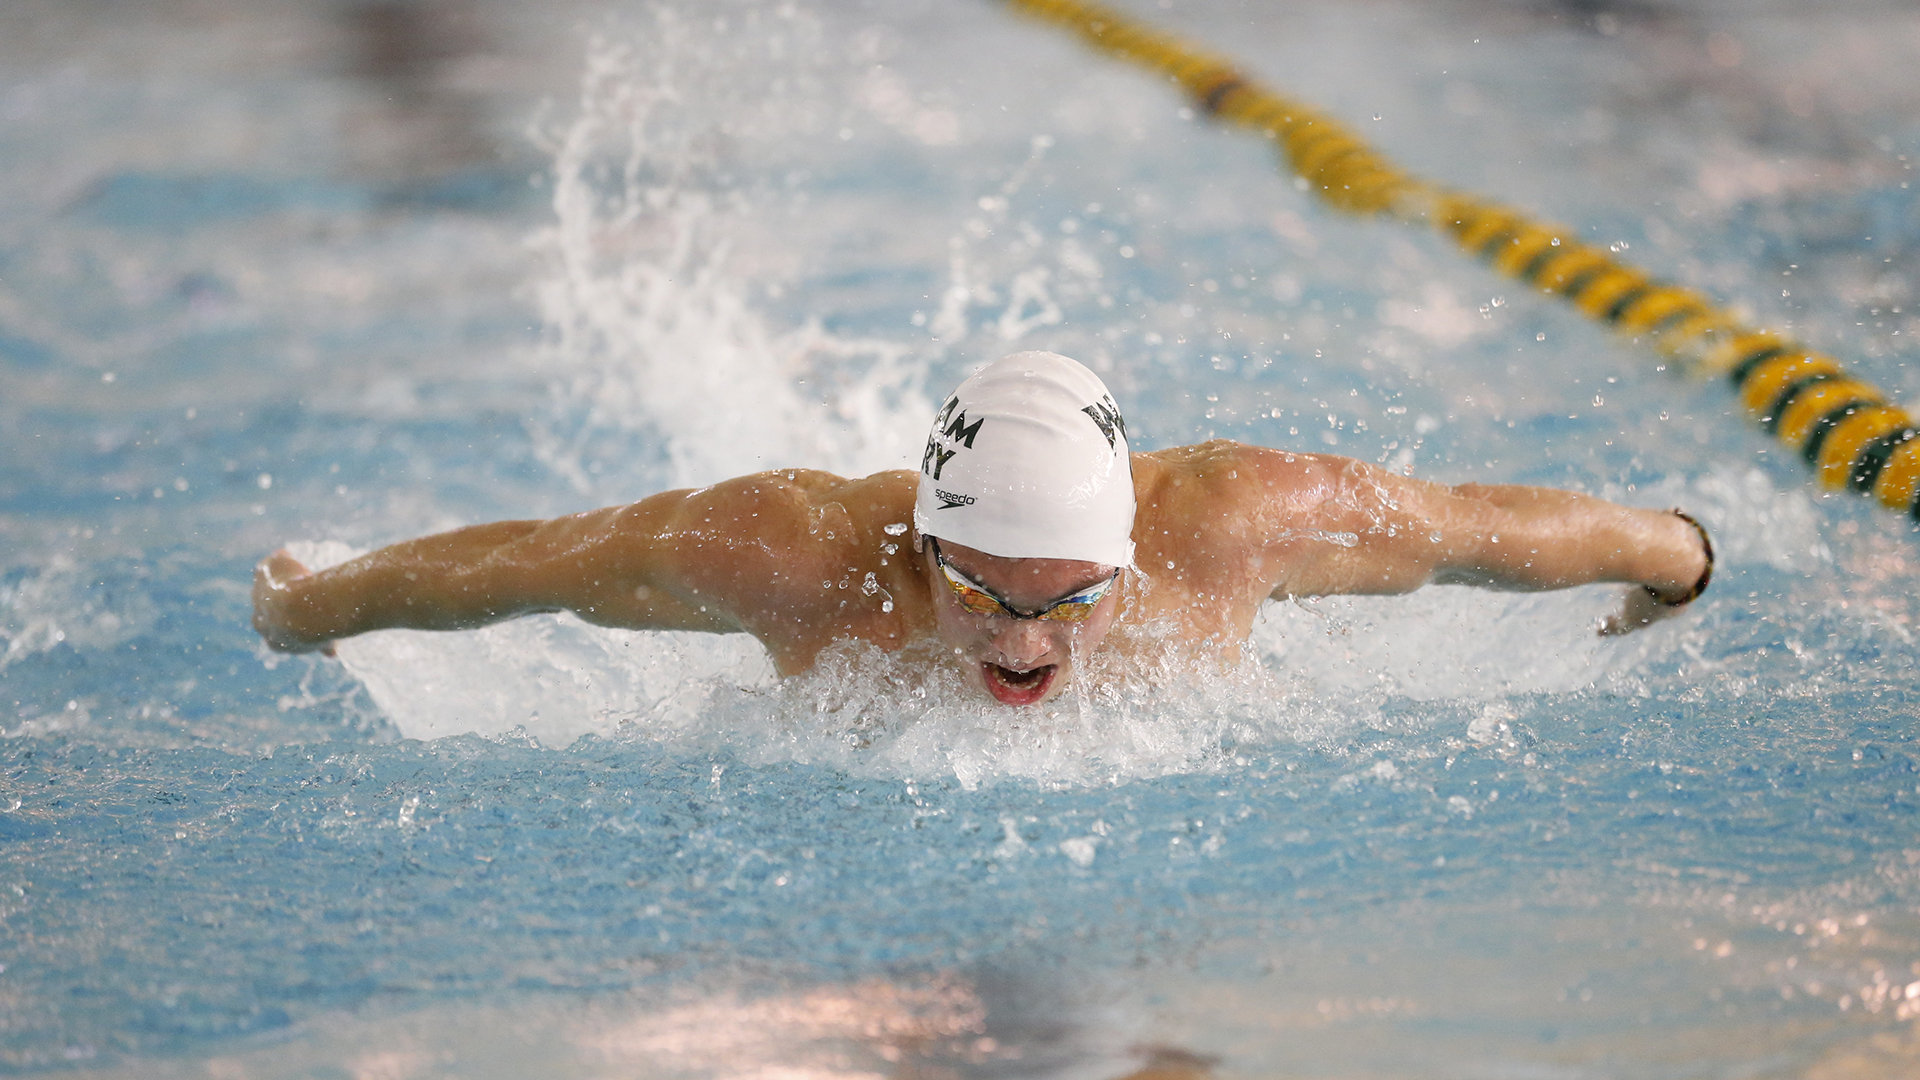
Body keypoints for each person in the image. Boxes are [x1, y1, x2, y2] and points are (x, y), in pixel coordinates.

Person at [253, 351, 1713, 707]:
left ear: (1131, 551)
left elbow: (1474, 529)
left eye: (1072, 599)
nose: (1024, 647)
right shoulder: (790, 553)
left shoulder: (1227, 523)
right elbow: (526, 568)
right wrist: (311, 610)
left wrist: (1669, 554)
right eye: (986, 596)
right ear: (923, 546)